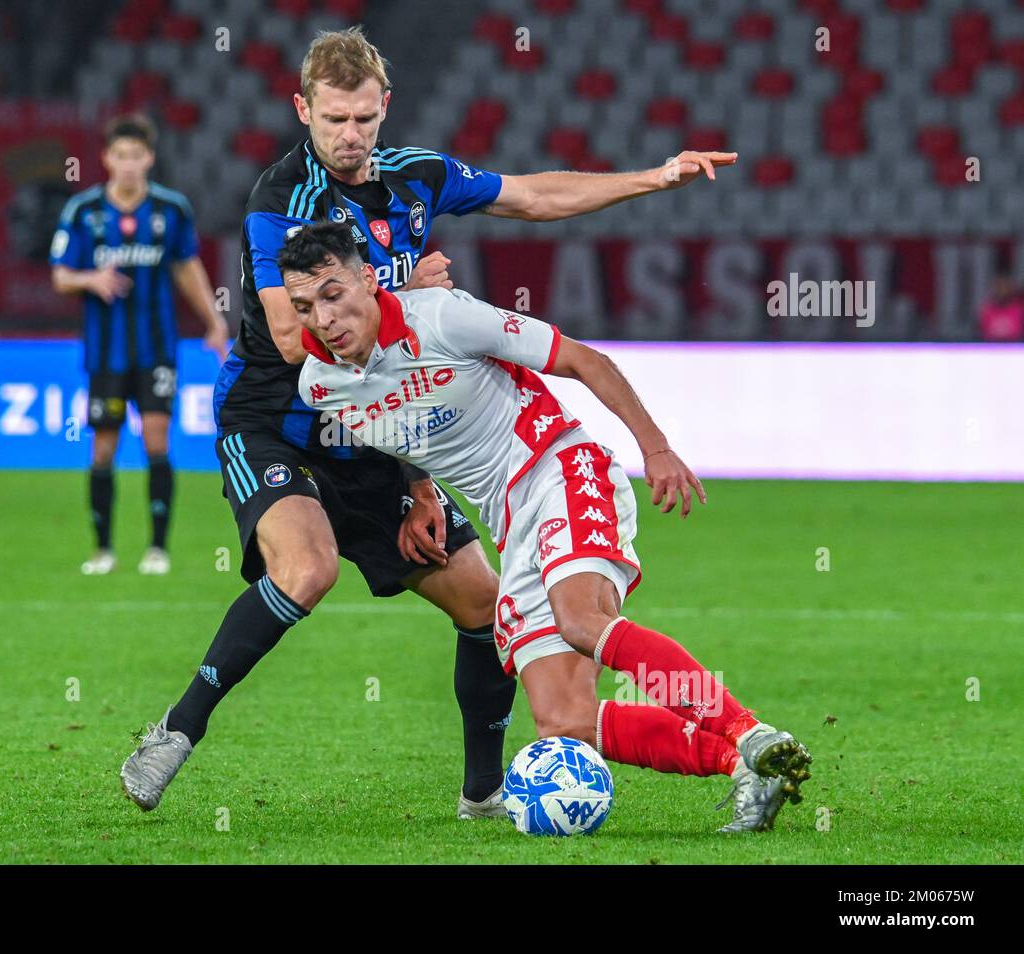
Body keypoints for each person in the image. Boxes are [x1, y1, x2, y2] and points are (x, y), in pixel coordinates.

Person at [120, 27, 735, 819]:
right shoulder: (280, 203)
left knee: (481, 601)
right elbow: (286, 335)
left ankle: (481, 795)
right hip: (278, 416)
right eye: (334, 119)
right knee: (308, 571)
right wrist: (400, 281)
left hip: (380, 423)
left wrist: (654, 178)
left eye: (364, 120)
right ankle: (176, 730)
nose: (350, 137)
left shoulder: (417, 177)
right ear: (303, 108)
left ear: (385, 109)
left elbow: (534, 196)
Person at [286, 221, 812, 833]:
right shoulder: (319, 385)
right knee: (566, 722)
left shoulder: (444, 318)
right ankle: (746, 767)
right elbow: (400, 423)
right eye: (304, 306)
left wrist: (657, 448)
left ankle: (749, 732)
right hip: (510, 524)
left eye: (332, 295)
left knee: (582, 621)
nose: (322, 319)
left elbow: (584, 359)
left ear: (369, 281)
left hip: (561, 466)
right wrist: (421, 489)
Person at [51, 113, 229, 576]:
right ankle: (104, 549)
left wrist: (214, 321)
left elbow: (186, 268)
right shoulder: (83, 212)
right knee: (103, 450)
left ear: (149, 158)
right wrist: (91, 278)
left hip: (157, 350)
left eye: (137, 156)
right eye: (120, 156)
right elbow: (60, 275)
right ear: (107, 158)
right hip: (106, 354)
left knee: (156, 440)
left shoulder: (171, 210)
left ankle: (157, 549)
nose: (128, 164)